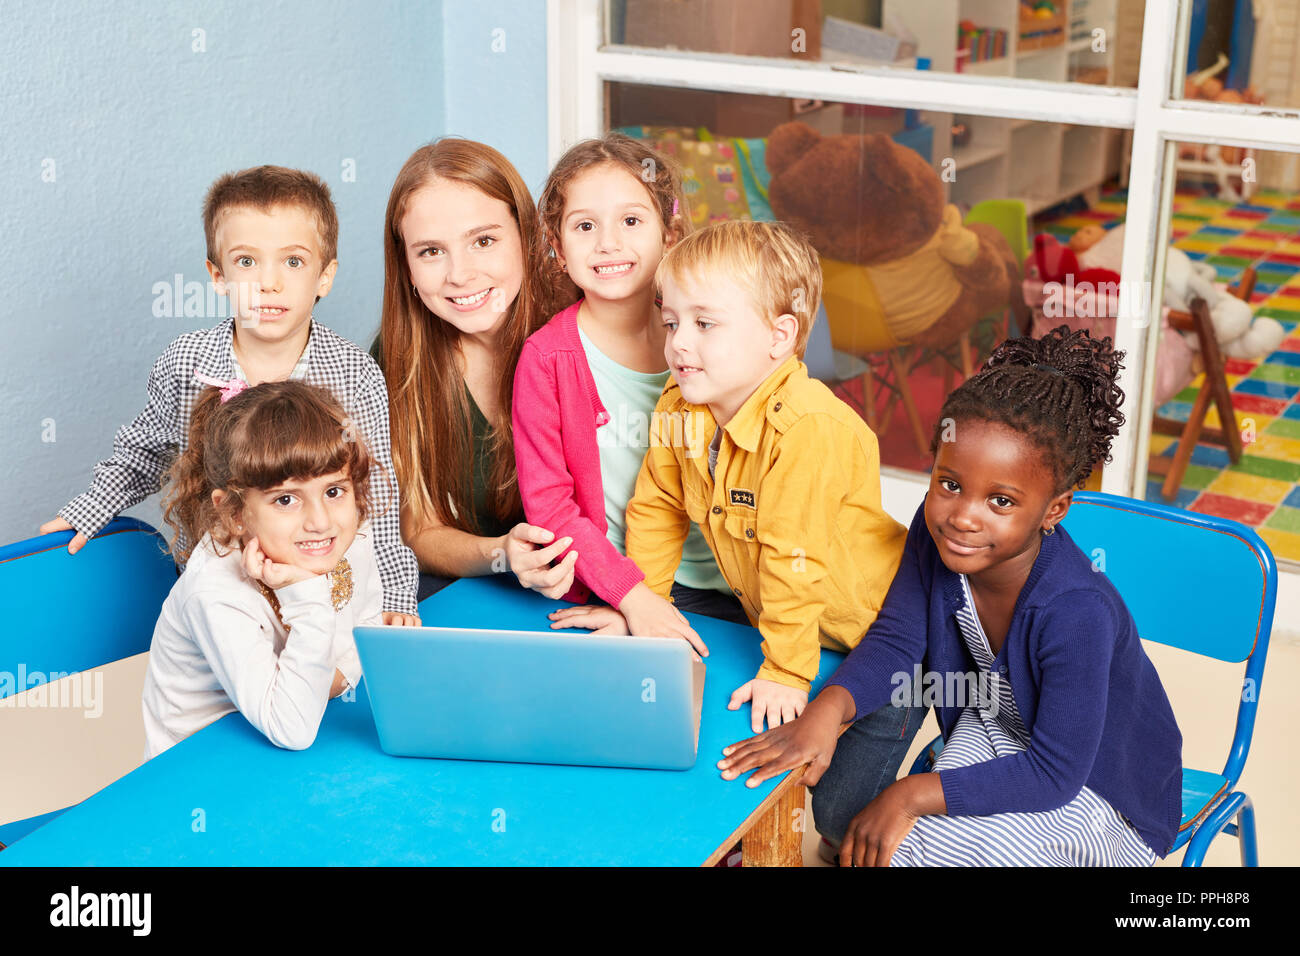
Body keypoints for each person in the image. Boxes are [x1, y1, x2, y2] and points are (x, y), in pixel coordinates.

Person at [718, 326, 1183, 867]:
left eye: (1001, 501)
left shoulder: (1077, 611)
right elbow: (897, 640)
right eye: (950, 483)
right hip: (996, 731)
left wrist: (907, 794)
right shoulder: (935, 534)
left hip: (1101, 790)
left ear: (1054, 510)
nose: (963, 516)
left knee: (918, 843)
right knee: (887, 852)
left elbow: (1054, 774)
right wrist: (826, 712)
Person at [555, 220, 916, 756]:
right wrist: (642, 608)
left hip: (879, 639)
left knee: (845, 809)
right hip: (791, 626)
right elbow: (657, 509)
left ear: (779, 336)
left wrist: (787, 672)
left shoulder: (808, 430)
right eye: (672, 320)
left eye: (705, 323)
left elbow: (794, 558)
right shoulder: (679, 405)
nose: (678, 343)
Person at [43, 165, 419, 624]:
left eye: (293, 261)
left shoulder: (353, 372)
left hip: (323, 588)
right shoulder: (186, 362)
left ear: (325, 276)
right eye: (246, 262)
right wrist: (92, 507)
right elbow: (144, 454)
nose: (268, 282)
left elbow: (374, 492)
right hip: (219, 591)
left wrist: (396, 595)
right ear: (217, 276)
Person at [513, 133, 739, 654]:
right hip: (620, 583)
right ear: (557, 245)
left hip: (738, 584)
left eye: (631, 221)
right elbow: (550, 503)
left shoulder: (716, 338)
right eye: (585, 226)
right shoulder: (546, 358)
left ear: (670, 232)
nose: (608, 243)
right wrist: (632, 598)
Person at [372, 140, 576, 603]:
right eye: (430, 252)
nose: (459, 275)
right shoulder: (399, 356)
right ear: (405, 266)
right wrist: (502, 553)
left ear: (528, 236)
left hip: (594, 587)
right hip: (473, 589)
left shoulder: (583, 325)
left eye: (483, 241)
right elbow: (419, 532)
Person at [141, 379, 383, 758]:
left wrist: (332, 680)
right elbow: (293, 728)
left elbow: (369, 623)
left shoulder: (348, 538)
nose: (321, 522)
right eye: (286, 499)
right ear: (234, 513)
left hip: (300, 738)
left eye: (334, 491)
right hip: (206, 769)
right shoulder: (216, 592)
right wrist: (304, 592)